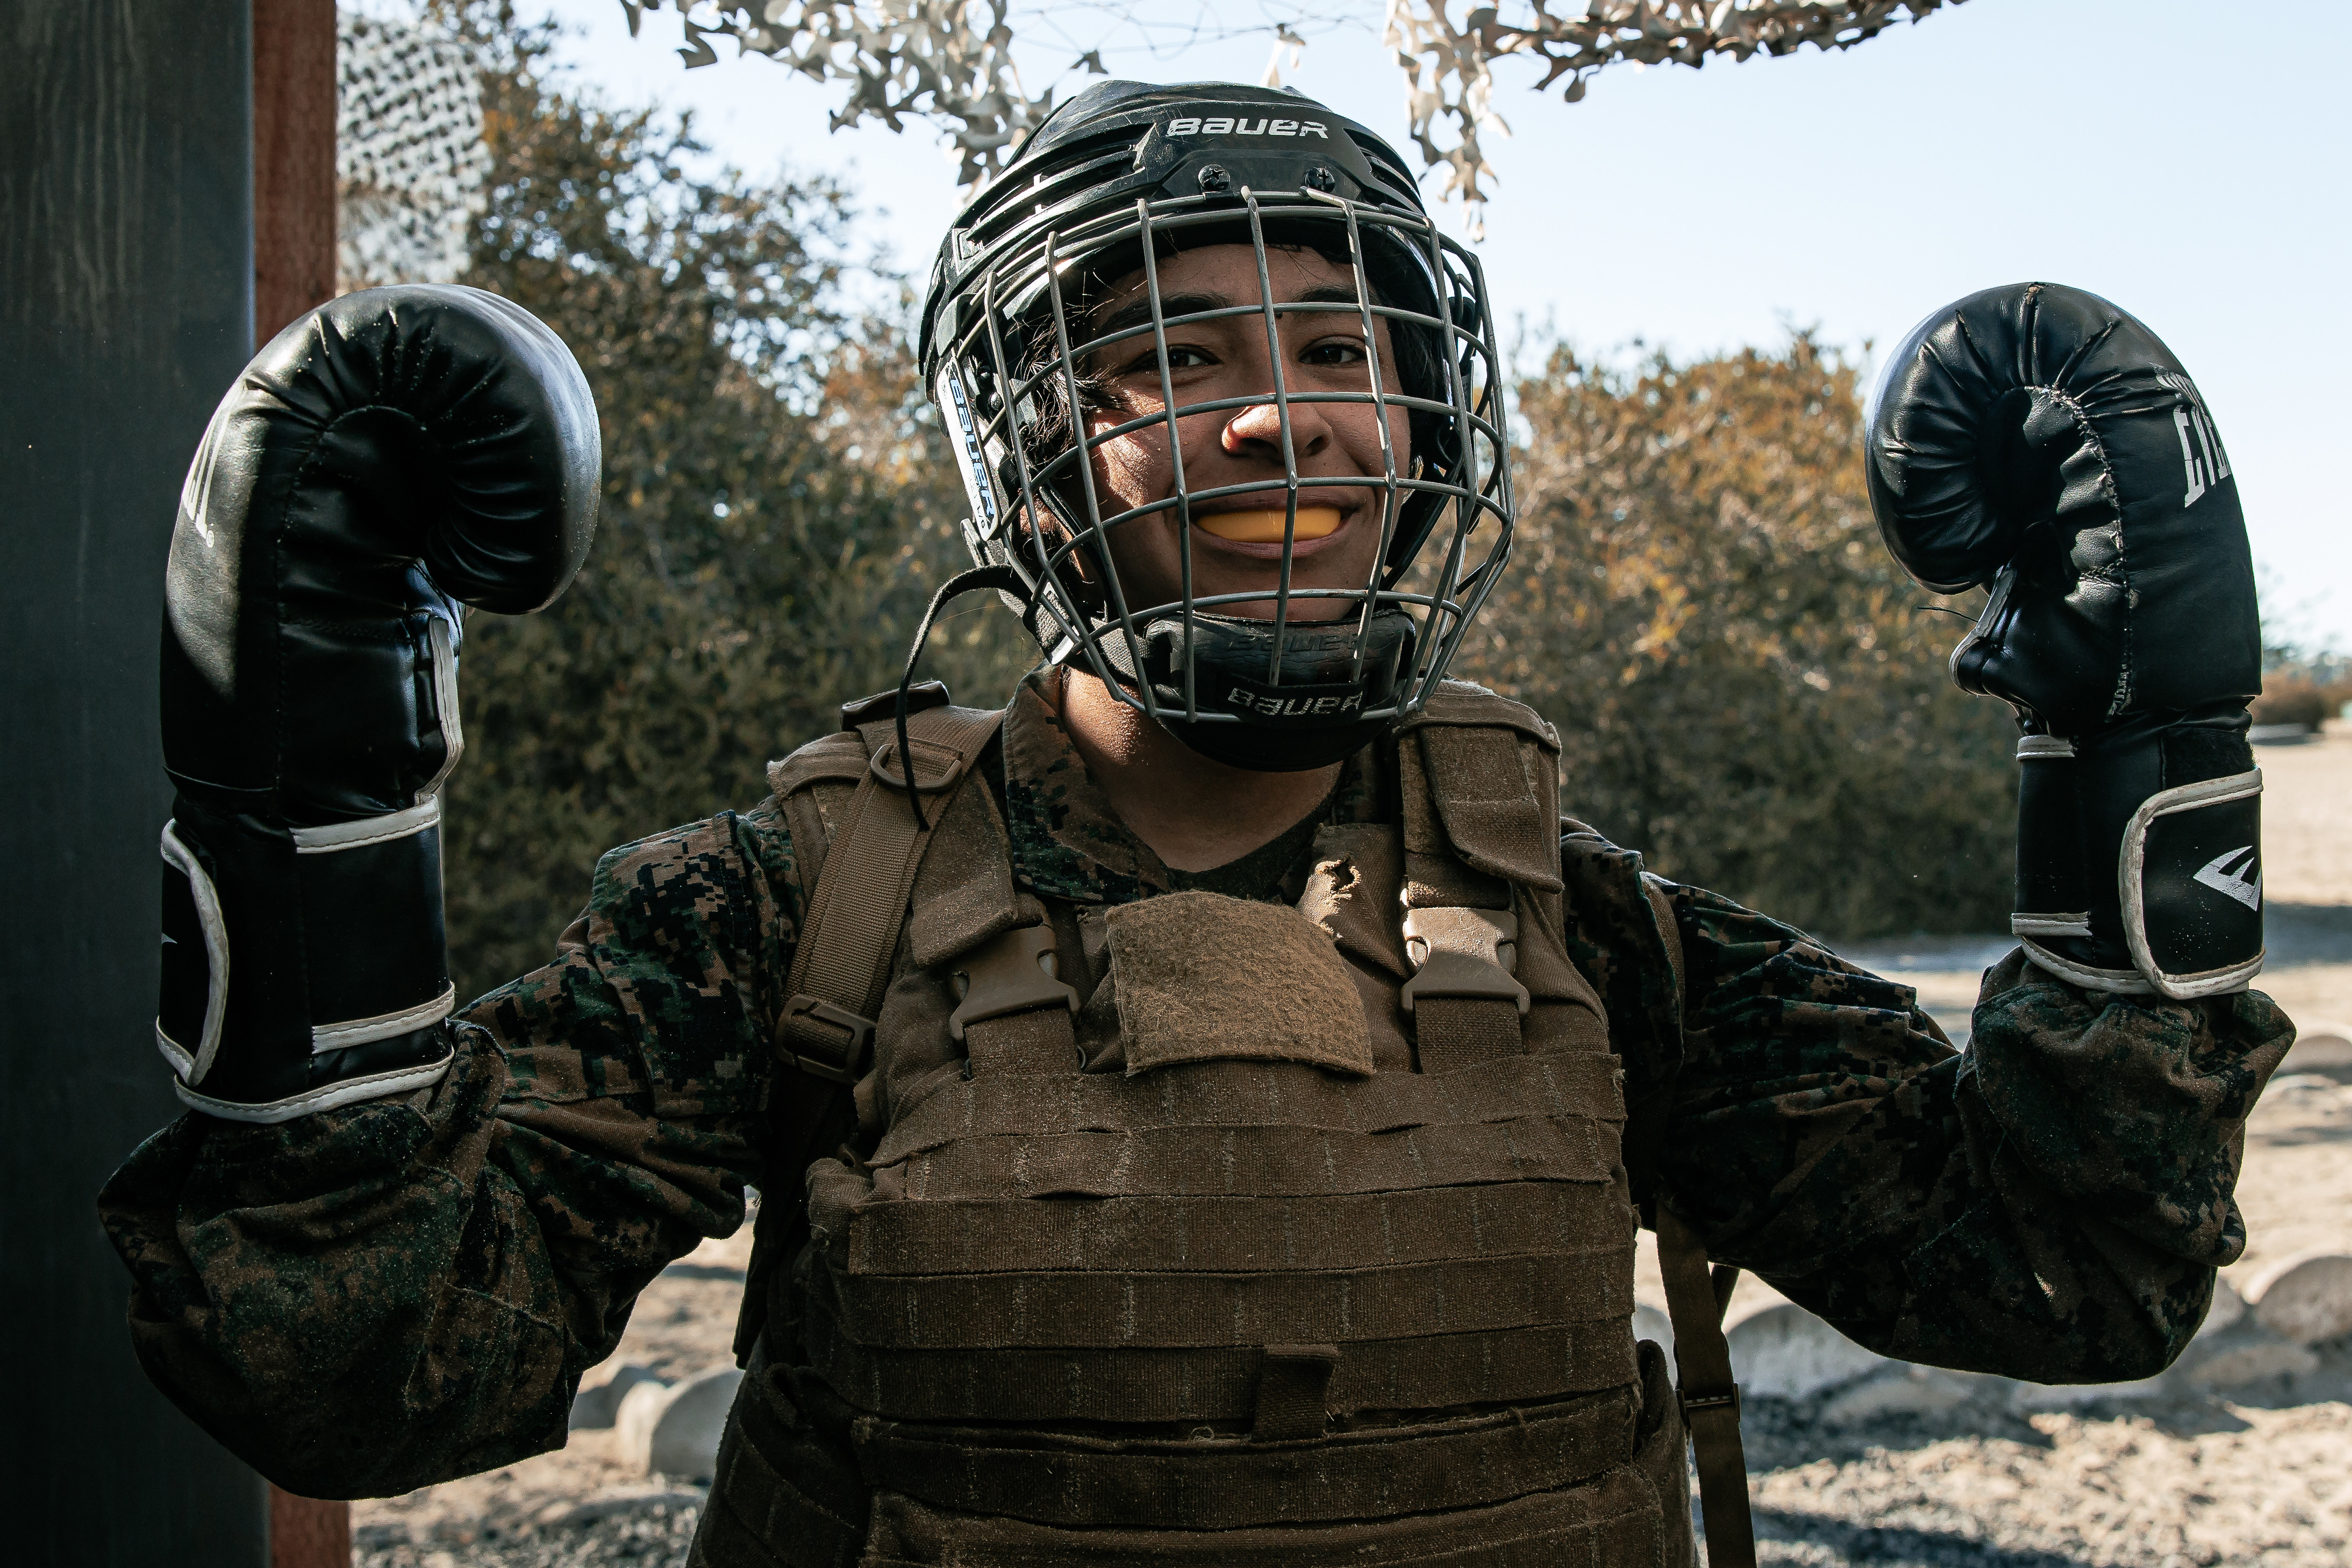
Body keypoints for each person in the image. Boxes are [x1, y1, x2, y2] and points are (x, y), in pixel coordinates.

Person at [103, 81, 2292, 1568]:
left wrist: (2130, 747)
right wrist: (313, 805)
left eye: (1342, 341)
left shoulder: (1580, 921)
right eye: (1168, 350)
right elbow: (364, 1368)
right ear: (1032, 445)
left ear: (1429, 420)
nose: (1278, 408)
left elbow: (2059, 1267)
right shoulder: (805, 904)